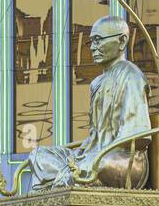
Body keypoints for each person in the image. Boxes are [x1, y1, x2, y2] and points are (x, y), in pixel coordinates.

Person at [26, 14, 150, 189]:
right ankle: (69, 178)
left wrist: (94, 156)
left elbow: (138, 137)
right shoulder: (96, 83)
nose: (92, 47)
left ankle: (69, 177)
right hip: (92, 154)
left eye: (98, 40)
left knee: (99, 163)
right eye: (91, 42)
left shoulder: (131, 76)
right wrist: (81, 155)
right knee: (37, 155)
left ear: (122, 41)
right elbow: (94, 135)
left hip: (122, 160)